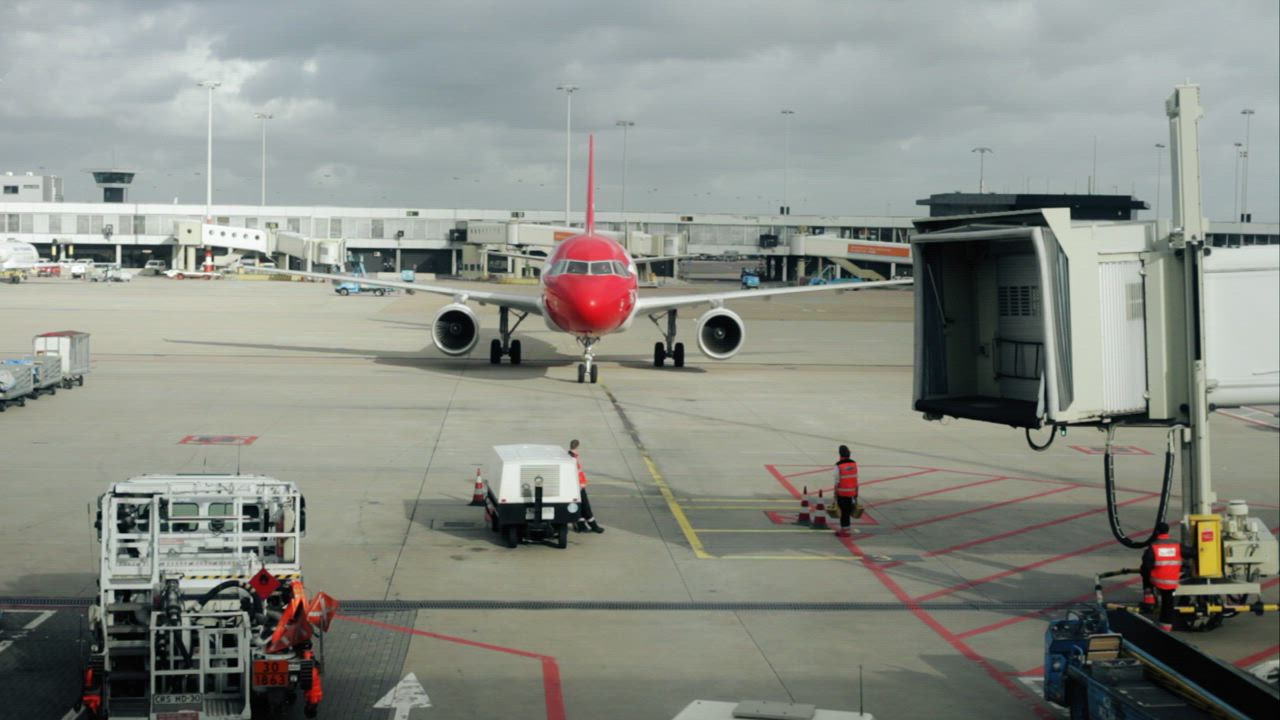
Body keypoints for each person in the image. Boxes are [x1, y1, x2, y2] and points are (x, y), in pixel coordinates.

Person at [1140, 522, 1182, 631]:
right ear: (1168, 531)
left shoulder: (1154, 547)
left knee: (1145, 571)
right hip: (1172, 582)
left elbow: (1146, 566)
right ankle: (1166, 626)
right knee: (1168, 604)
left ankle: (1149, 597)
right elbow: (1190, 553)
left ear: (1157, 532)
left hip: (1157, 581)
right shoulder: (1177, 545)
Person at [569, 439, 604, 533]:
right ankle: (594, 526)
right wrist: (581, 484)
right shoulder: (573, 459)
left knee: (579, 506)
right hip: (578, 487)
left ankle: (581, 526)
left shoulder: (571, 456)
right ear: (576, 447)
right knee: (586, 507)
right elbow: (576, 473)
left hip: (576, 487)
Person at [833, 444, 859, 537]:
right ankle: (846, 529)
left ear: (840, 454)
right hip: (852, 492)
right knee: (847, 512)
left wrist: (835, 495)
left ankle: (844, 531)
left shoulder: (838, 465)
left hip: (842, 493)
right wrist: (856, 493)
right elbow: (856, 479)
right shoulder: (854, 464)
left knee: (843, 513)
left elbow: (837, 481)